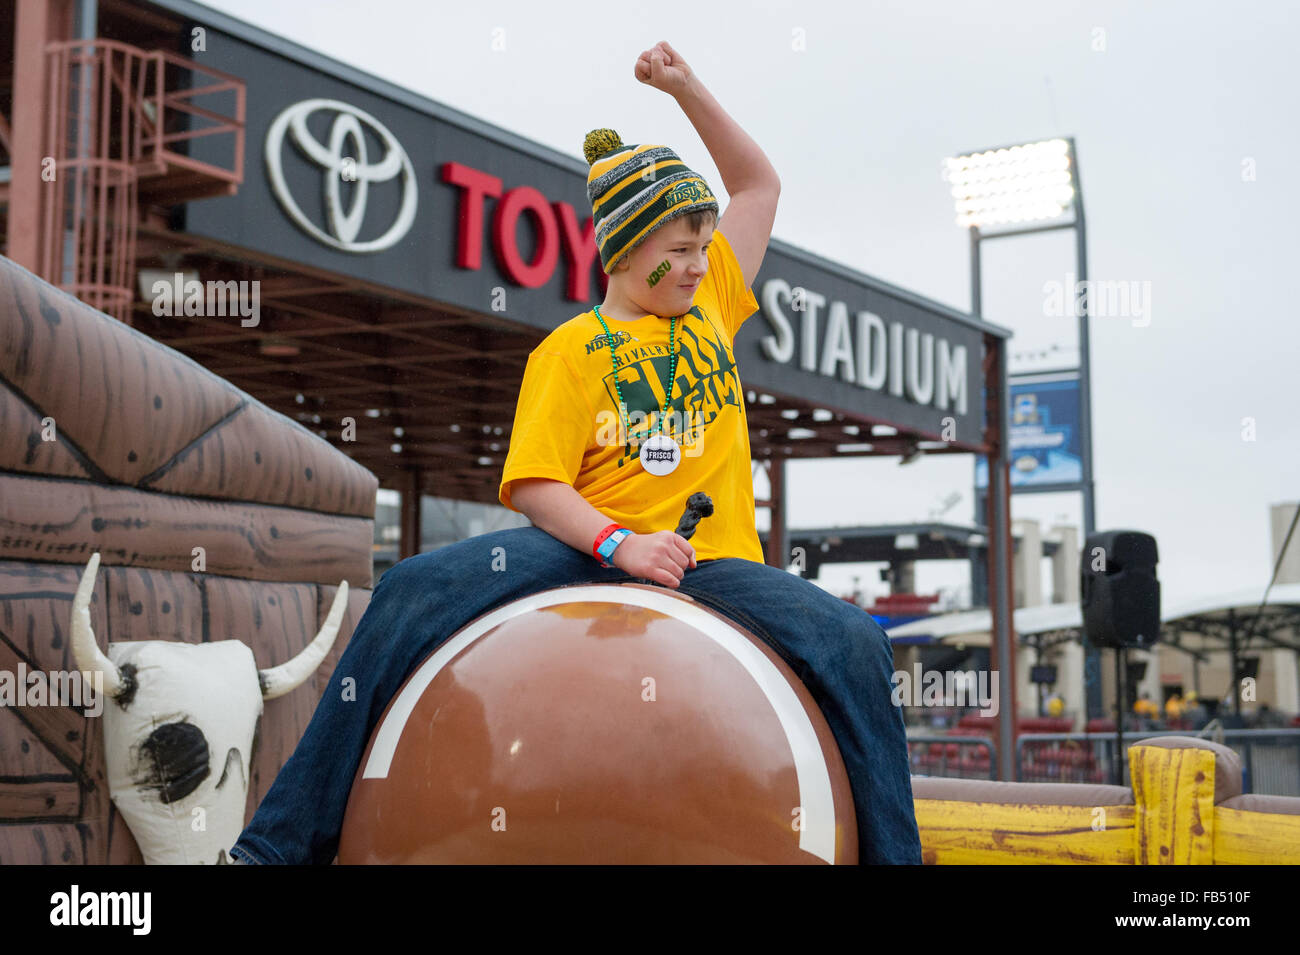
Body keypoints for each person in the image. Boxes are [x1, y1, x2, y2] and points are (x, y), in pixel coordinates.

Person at [229, 41, 921, 866]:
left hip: (710, 564)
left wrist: (684, 88)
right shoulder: (571, 350)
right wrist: (619, 543)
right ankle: (275, 846)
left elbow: (758, 185)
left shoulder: (712, 309)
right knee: (411, 587)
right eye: (679, 249)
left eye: (705, 248)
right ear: (625, 247)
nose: (700, 265)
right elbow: (536, 485)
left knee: (856, 642)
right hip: (585, 553)